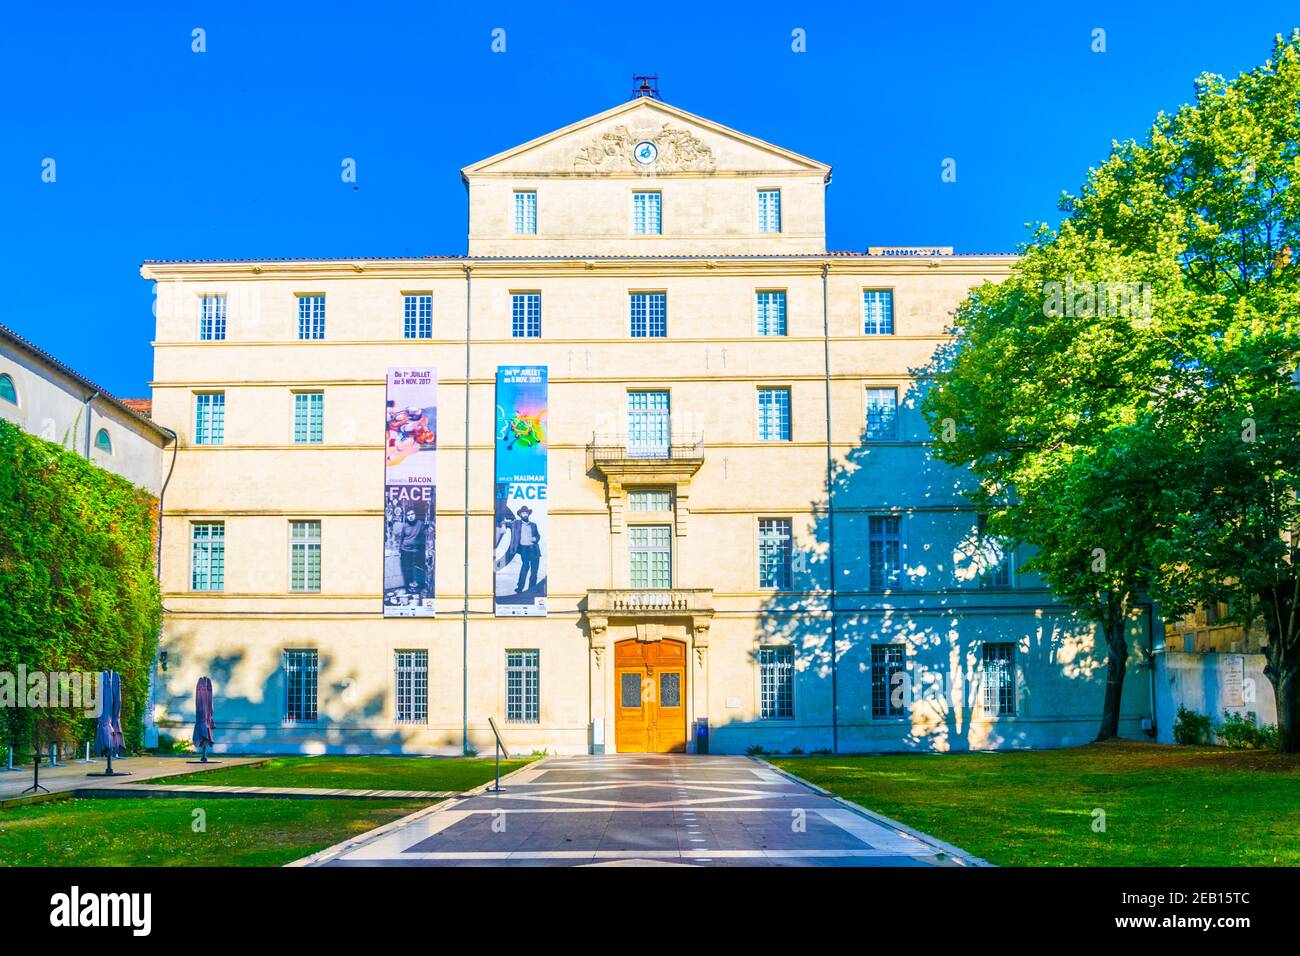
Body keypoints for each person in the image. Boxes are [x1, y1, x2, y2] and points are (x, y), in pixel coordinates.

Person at [397, 507, 427, 593]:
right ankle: (408, 589)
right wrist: (400, 551)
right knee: (407, 570)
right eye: (408, 515)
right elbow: (401, 538)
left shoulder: (420, 524)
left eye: (412, 514)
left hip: (416, 551)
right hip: (405, 550)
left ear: (415, 515)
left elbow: (424, 537)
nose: (410, 516)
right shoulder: (405, 525)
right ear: (406, 516)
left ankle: (418, 589)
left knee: (417, 570)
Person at [513, 505, 541, 594]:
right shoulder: (517, 524)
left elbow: (538, 535)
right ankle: (519, 588)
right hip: (524, 549)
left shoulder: (533, 525)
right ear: (520, 515)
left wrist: (535, 539)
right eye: (523, 513)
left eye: (526, 513)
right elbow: (507, 523)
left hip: (534, 549)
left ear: (528, 514)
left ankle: (531, 589)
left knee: (534, 570)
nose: (525, 514)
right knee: (525, 567)